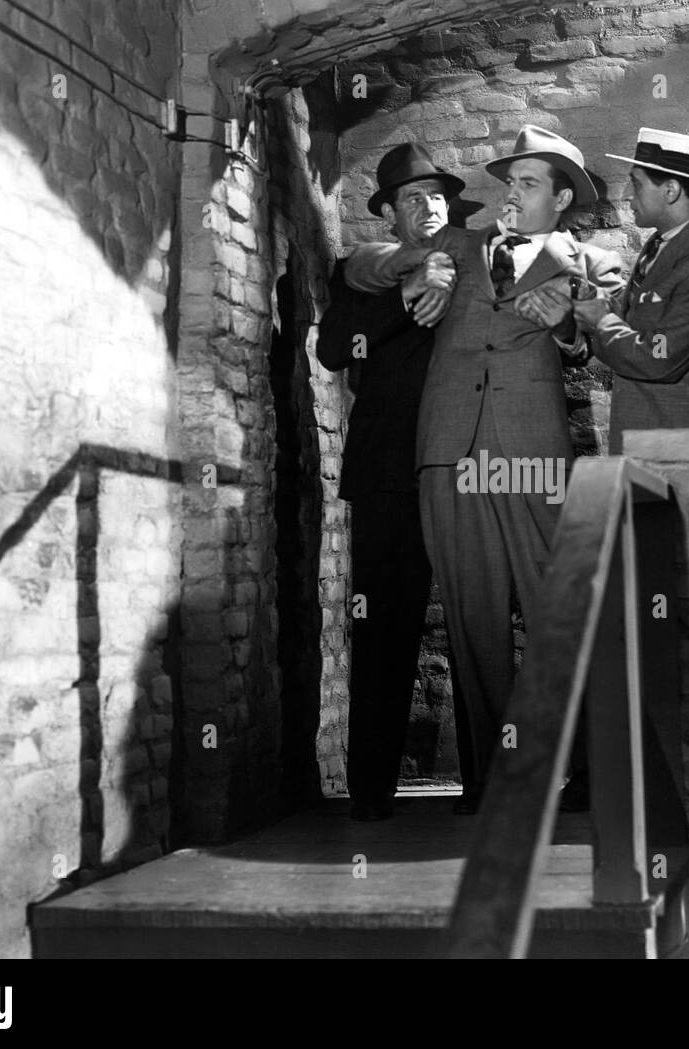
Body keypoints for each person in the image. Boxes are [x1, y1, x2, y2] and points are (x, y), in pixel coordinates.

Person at [343, 126, 624, 814]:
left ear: (562, 197)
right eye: (508, 182)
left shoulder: (588, 258)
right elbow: (357, 266)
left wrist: (567, 324)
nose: (510, 195)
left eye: (528, 184)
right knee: (473, 622)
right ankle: (495, 780)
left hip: (531, 455)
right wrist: (416, 265)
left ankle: (585, 771)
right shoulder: (457, 245)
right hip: (448, 452)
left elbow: (599, 325)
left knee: (556, 609)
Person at [316, 143, 467, 821]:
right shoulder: (362, 277)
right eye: (414, 198)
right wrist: (407, 298)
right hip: (385, 475)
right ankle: (372, 792)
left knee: (478, 629)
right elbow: (331, 349)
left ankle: (486, 791)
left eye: (437, 195)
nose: (429, 206)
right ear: (390, 214)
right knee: (382, 632)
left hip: (467, 468)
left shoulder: (471, 265)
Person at [566, 127, 689, 453]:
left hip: (683, 445)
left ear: (671, 191)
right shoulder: (661, 244)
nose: (628, 196)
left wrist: (600, 322)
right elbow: (641, 325)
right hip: (644, 438)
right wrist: (599, 303)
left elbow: (657, 356)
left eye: (636, 184)